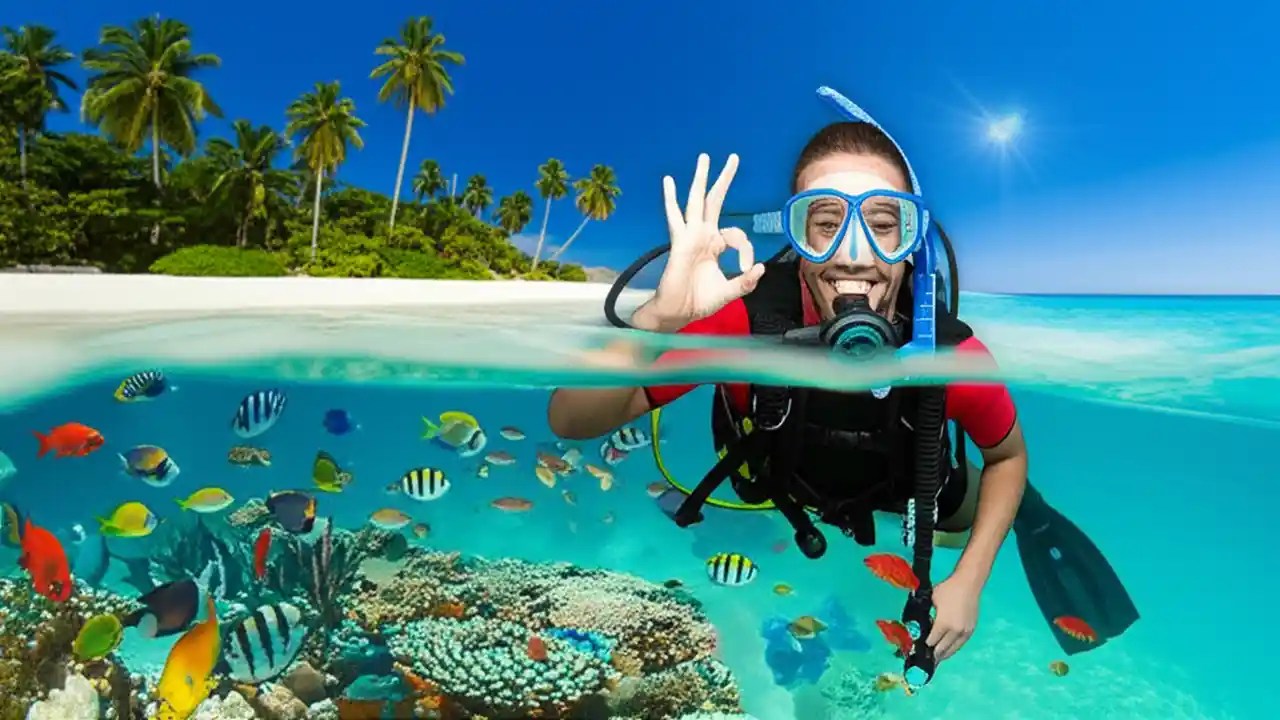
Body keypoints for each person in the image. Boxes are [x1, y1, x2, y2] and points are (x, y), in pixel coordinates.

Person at [549, 86, 1137, 689]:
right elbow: (571, 420)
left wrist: (969, 582)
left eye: (884, 226)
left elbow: (1007, 454)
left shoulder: (950, 353)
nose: (853, 254)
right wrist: (657, 321)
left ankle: (1031, 518)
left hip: (918, 490)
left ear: (913, 247)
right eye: (824, 224)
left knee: (964, 525)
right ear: (797, 245)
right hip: (792, 486)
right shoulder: (742, 324)